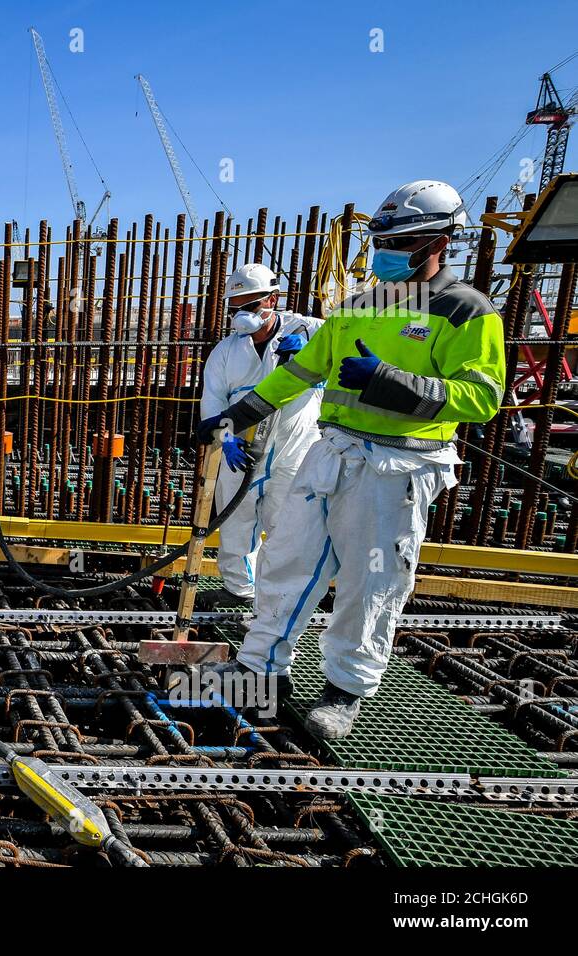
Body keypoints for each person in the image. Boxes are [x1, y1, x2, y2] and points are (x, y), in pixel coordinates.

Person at [196, 181, 505, 737]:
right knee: (286, 562)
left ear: (437, 241)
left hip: (399, 466)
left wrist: (388, 382)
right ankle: (260, 667)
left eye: (396, 240)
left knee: (372, 580)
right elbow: (299, 373)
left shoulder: (466, 310)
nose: (382, 250)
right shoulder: (357, 307)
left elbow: (481, 398)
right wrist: (231, 419)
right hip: (333, 450)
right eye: (378, 238)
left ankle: (345, 689)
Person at [198, 264, 323, 609]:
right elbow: (213, 399)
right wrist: (225, 438)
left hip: (292, 450)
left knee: (288, 527)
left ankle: (278, 600)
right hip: (240, 449)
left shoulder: (309, 330)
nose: (242, 315)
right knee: (235, 522)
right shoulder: (225, 351)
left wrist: (312, 358)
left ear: (273, 299)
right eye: (235, 306)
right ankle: (239, 590)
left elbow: (346, 356)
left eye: (250, 305)